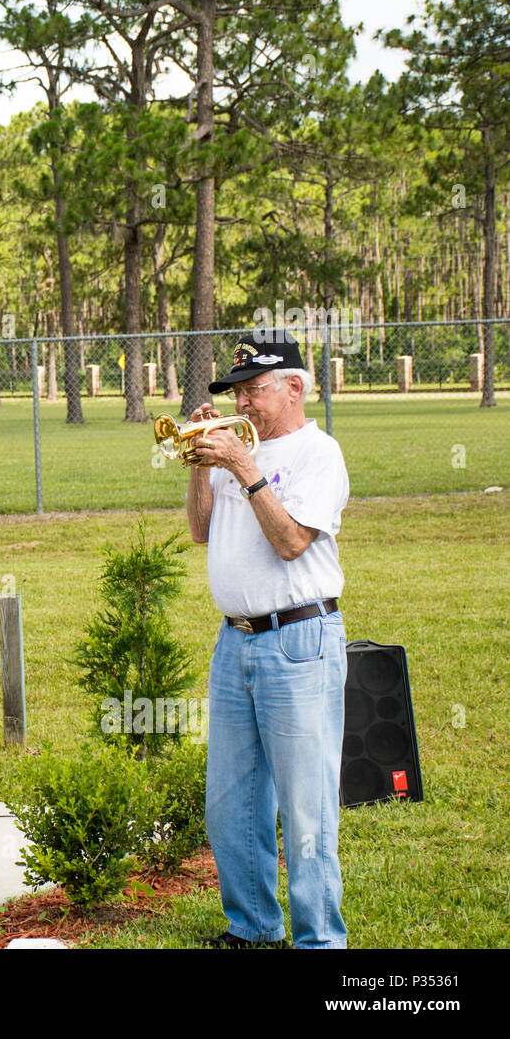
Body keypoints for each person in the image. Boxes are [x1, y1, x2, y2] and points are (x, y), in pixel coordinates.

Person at [183, 331, 349, 949]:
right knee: (231, 804)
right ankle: (253, 930)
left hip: (298, 641)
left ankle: (319, 941)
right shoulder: (235, 452)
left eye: (255, 390)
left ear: (295, 387)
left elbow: (290, 542)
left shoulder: (318, 453)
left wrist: (243, 467)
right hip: (235, 644)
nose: (243, 403)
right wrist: (202, 465)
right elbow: (201, 532)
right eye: (237, 392)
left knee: (306, 809)